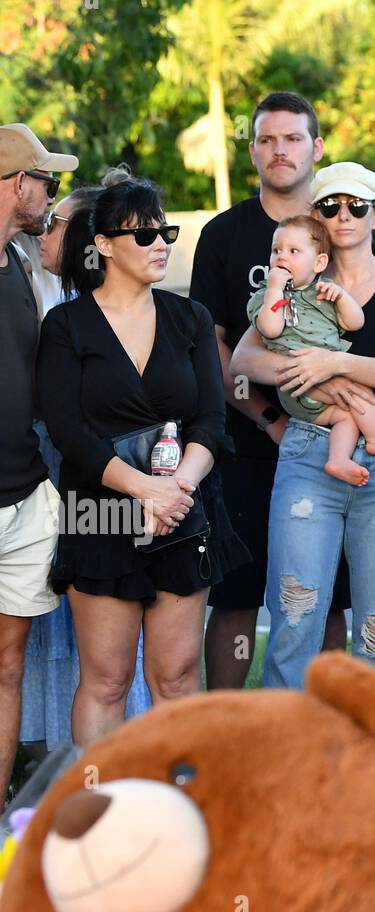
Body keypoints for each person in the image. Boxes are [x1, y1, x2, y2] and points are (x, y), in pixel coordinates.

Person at [37, 176, 247, 743]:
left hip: (183, 508)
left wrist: (174, 490)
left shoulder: (191, 320)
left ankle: (177, 808)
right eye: (146, 234)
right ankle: (99, 815)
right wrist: (144, 491)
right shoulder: (66, 326)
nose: (161, 244)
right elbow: (68, 432)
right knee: (106, 681)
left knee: (177, 678)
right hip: (100, 514)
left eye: (166, 232)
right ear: (103, 245)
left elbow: (211, 420)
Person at [230, 162, 375, 689]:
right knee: (295, 613)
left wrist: (334, 364)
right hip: (307, 452)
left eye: (357, 205)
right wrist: (306, 372)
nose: (344, 215)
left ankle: (368, 757)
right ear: (315, 217)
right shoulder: (291, 289)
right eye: (331, 205)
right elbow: (243, 362)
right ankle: (287, 753)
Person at [189, 91, 350, 690]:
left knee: (329, 597)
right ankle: (226, 725)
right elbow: (213, 343)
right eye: (266, 140)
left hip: (332, 436)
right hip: (248, 441)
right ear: (252, 149)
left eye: (291, 138)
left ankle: (325, 730)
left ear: (317, 147)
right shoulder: (224, 234)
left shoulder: (344, 227)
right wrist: (265, 418)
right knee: (237, 593)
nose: (279, 151)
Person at [20, 176, 152, 752]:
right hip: (50, 469)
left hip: (98, 477)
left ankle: (122, 750)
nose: (45, 233)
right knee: (52, 616)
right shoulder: (35, 290)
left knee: (103, 631)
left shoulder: (94, 309)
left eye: (58, 225)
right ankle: (58, 749)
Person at [0, 123, 73, 798]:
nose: (52, 195)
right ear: (20, 185)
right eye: (47, 182)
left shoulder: (23, 266)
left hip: (23, 495)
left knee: (8, 663)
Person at [248, 214, 375, 484]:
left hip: (326, 380)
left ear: (319, 262)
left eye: (293, 251)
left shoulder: (324, 292)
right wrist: (274, 289)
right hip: (297, 382)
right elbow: (270, 329)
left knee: (347, 415)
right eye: (276, 251)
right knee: (359, 392)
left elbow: (355, 322)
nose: (281, 257)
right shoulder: (265, 296)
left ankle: (338, 459)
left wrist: (342, 298)